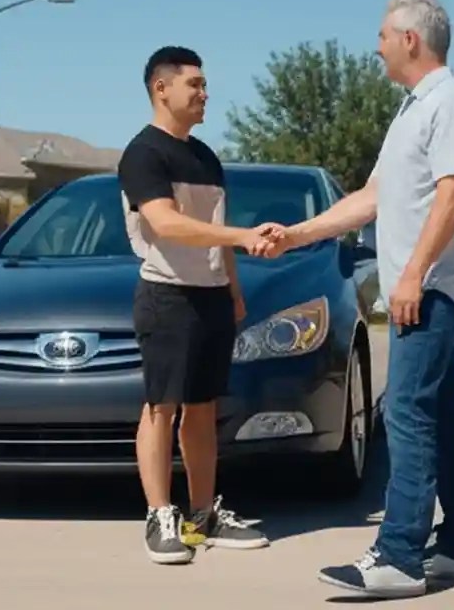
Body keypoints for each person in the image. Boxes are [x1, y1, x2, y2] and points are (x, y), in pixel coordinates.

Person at [259, 0, 454, 598]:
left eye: (384, 36)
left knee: (408, 414)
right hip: (420, 285)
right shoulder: (413, 110)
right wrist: (297, 236)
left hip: (432, 288)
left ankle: (398, 557)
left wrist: (413, 273)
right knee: (442, 411)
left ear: (411, 40)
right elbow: (373, 197)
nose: (378, 46)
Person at [117, 45, 274, 564]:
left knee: (203, 410)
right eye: (196, 85)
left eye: (205, 86)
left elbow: (214, 235)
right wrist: (242, 235)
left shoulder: (206, 157)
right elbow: (165, 223)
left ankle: (203, 514)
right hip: (166, 295)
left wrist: (232, 288)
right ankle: (160, 516)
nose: (205, 94)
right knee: (162, 407)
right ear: (161, 88)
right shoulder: (143, 153)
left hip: (210, 300)